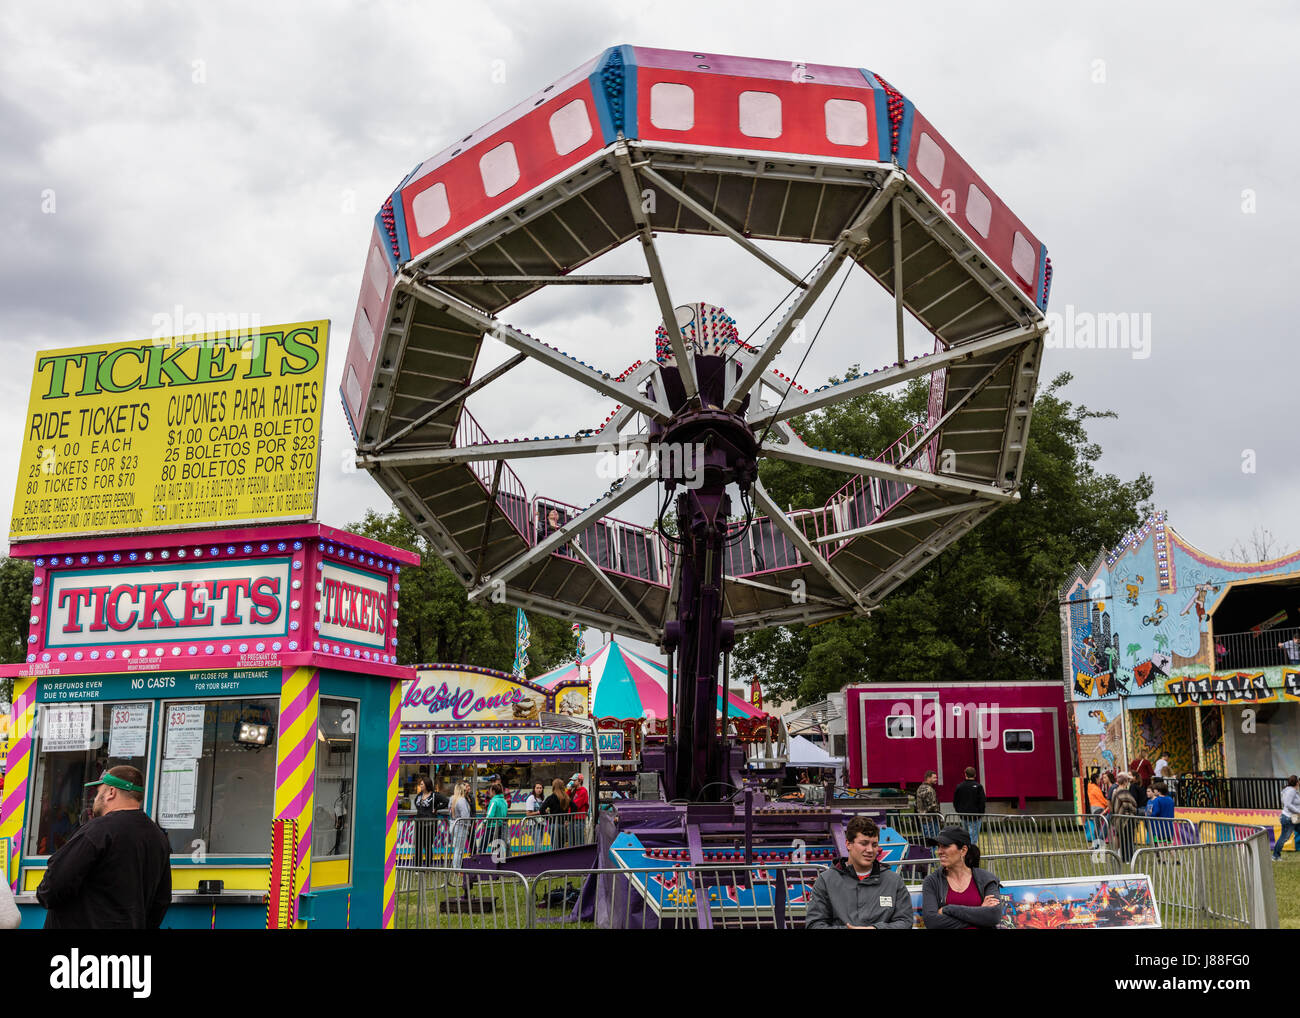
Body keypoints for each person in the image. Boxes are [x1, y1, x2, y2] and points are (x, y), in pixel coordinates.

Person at [35, 766, 171, 929]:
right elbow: (161, 900)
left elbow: (54, 884)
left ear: (111, 792)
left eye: (99, 792)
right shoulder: (158, 837)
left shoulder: (98, 830)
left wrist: (44, 894)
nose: (95, 798)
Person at [805, 816, 912, 929]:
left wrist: (876, 929)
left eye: (874, 845)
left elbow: (905, 922)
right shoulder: (826, 881)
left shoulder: (893, 881)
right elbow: (814, 925)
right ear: (848, 844)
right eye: (864, 843)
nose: (870, 850)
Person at [920, 827, 1003, 930]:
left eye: (945, 846)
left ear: (963, 850)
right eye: (938, 847)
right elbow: (932, 922)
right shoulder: (932, 881)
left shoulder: (986, 878)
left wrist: (948, 909)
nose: (939, 851)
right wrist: (980, 913)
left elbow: (994, 915)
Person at [951, 767, 986, 845]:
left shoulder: (959, 786)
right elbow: (982, 802)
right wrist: (980, 814)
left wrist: (959, 812)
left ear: (965, 774)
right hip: (975, 817)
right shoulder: (978, 786)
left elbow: (955, 801)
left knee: (965, 836)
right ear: (975, 775)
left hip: (964, 816)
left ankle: (966, 852)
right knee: (973, 838)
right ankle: (971, 853)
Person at [1109, 772, 1139, 863]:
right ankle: (1128, 858)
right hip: (1127, 818)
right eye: (1128, 781)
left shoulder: (1115, 791)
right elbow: (1132, 805)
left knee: (1122, 839)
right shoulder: (1125, 792)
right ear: (1125, 782)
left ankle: (1122, 857)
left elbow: (1113, 805)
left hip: (1119, 818)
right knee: (1128, 839)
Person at [1272, 774, 1300, 861]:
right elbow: (1288, 804)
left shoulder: (1289, 790)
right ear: (1297, 782)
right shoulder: (1291, 791)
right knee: (1284, 837)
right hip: (1289, 818)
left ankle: (1275, 855)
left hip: (1294, 818)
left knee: (1284, 837)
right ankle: (1275, 856)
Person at [542, 778, 572, 849]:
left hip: (553, 824)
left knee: (555, 846)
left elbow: (541, 810)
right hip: (562, 825)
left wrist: (548, 817)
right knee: (562, 846)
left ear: (553, 786)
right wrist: (569, 819)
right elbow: (575, 808)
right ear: (562, 786)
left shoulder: (551, 797)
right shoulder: (566, 798)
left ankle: (555, 859)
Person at [1144, 779, 1176, 845]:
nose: (1154, 791)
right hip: (1169, 826)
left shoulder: (1157, 800)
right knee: (1170, 845)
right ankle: (1175, 856)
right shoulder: (1170, 799)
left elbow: (1155, 812)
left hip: (1159, 827)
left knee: (1159, 845)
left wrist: (1149, 814)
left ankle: (1162, 856)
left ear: (1159, 791)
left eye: (1155, 790)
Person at [449, 781, 472, 869]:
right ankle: (457, 867)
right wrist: (469, 825)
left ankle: (456, 866)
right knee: (459, 849)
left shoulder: (452, 798)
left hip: (453, 824)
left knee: (457, 848)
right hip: (461, 826)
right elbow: (465, 816)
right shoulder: (462, 800)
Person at [915, 770, 942, 842]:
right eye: (934, 778)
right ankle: (933, 853)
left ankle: (929, 853)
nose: (936, 779)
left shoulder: (919, 788)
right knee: (933, 840)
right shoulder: (930, 789)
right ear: (928, 778)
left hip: (922, 818)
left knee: (926, 840)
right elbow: (933, 805)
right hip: (931, 819)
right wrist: (938, 813)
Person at [484, 781, 509, 856]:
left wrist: (484, 822)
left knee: (482, 847)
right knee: (497, 848)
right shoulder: (504, 801)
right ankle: (497, 864)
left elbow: (490, 815)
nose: (489, 793)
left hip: (491, 826)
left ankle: (480, 865)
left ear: (493, 791)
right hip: (500, 826)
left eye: (490, 791)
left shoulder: (494, 801)